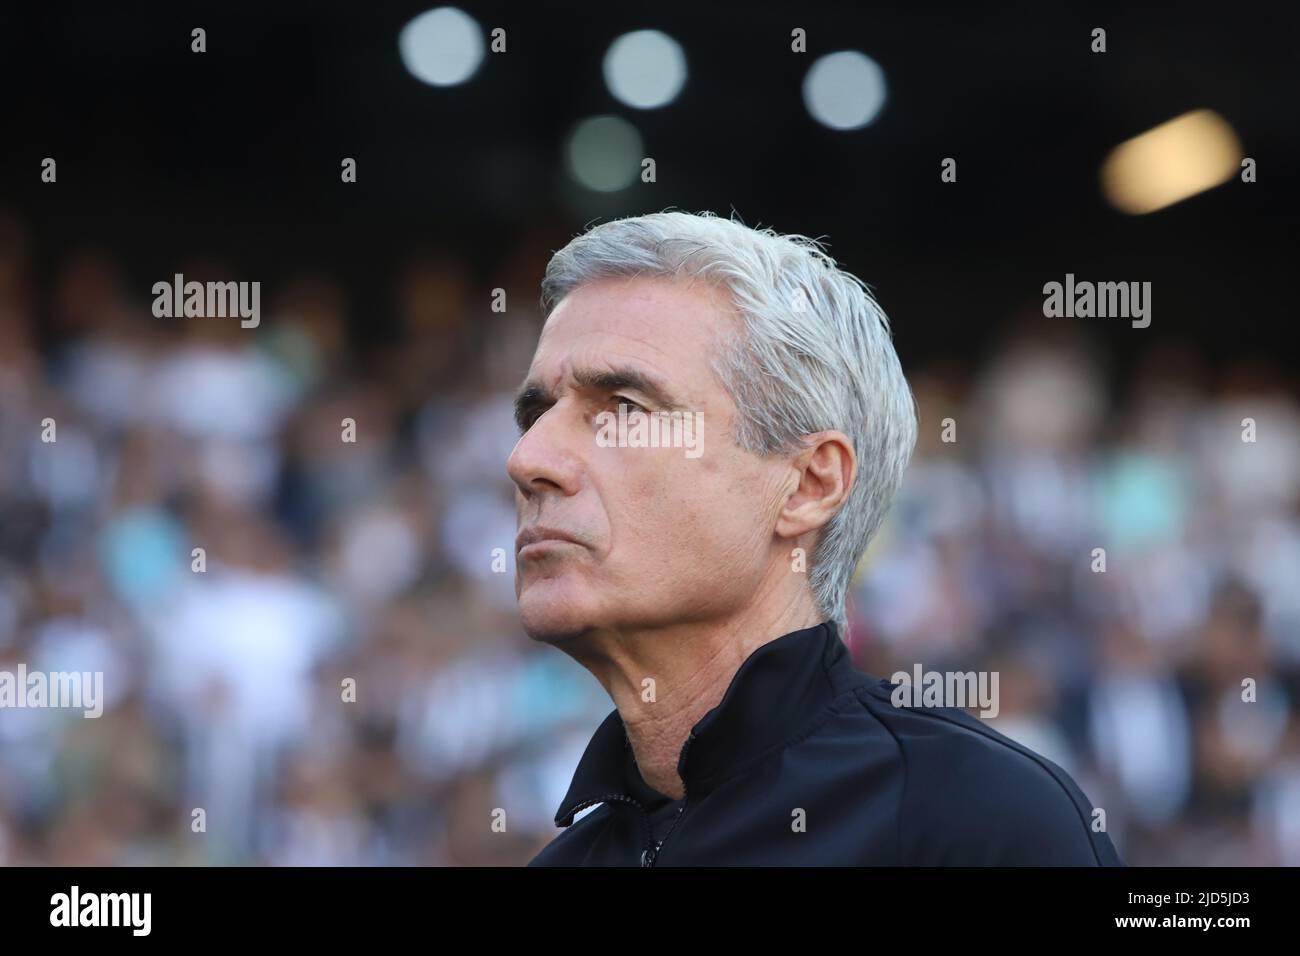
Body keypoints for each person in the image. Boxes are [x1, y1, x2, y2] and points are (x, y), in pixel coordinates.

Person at [508, 211, 1122, 866]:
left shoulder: (981, 824)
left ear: (807, 484)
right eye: (536, 413)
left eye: (625, 408)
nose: (527, 458)